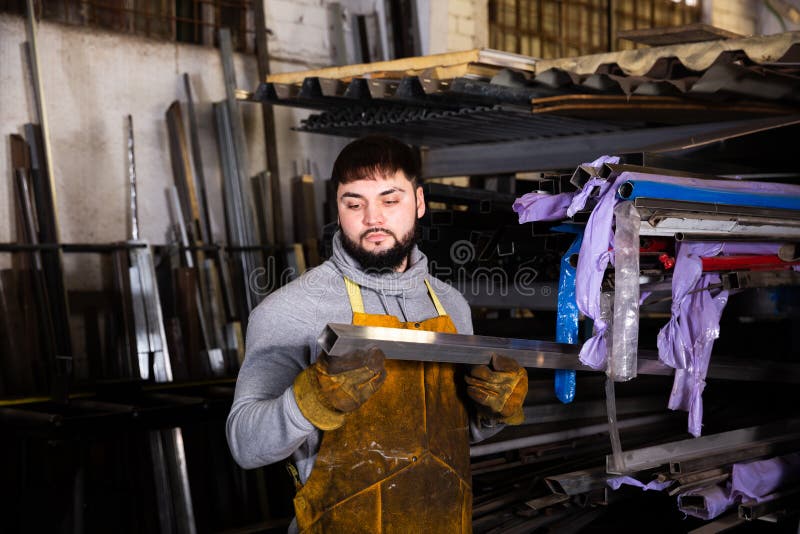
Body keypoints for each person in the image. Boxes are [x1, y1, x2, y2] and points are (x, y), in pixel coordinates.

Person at [226, 135, 528, 533]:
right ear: (338, 208)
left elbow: (453, 436)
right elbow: (245, 445)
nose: (373, 218)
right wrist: (310, 401)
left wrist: (493, 412)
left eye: (390, 200)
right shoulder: (290, 310)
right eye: (354, 203)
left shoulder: (451, 306)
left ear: (419, 202)